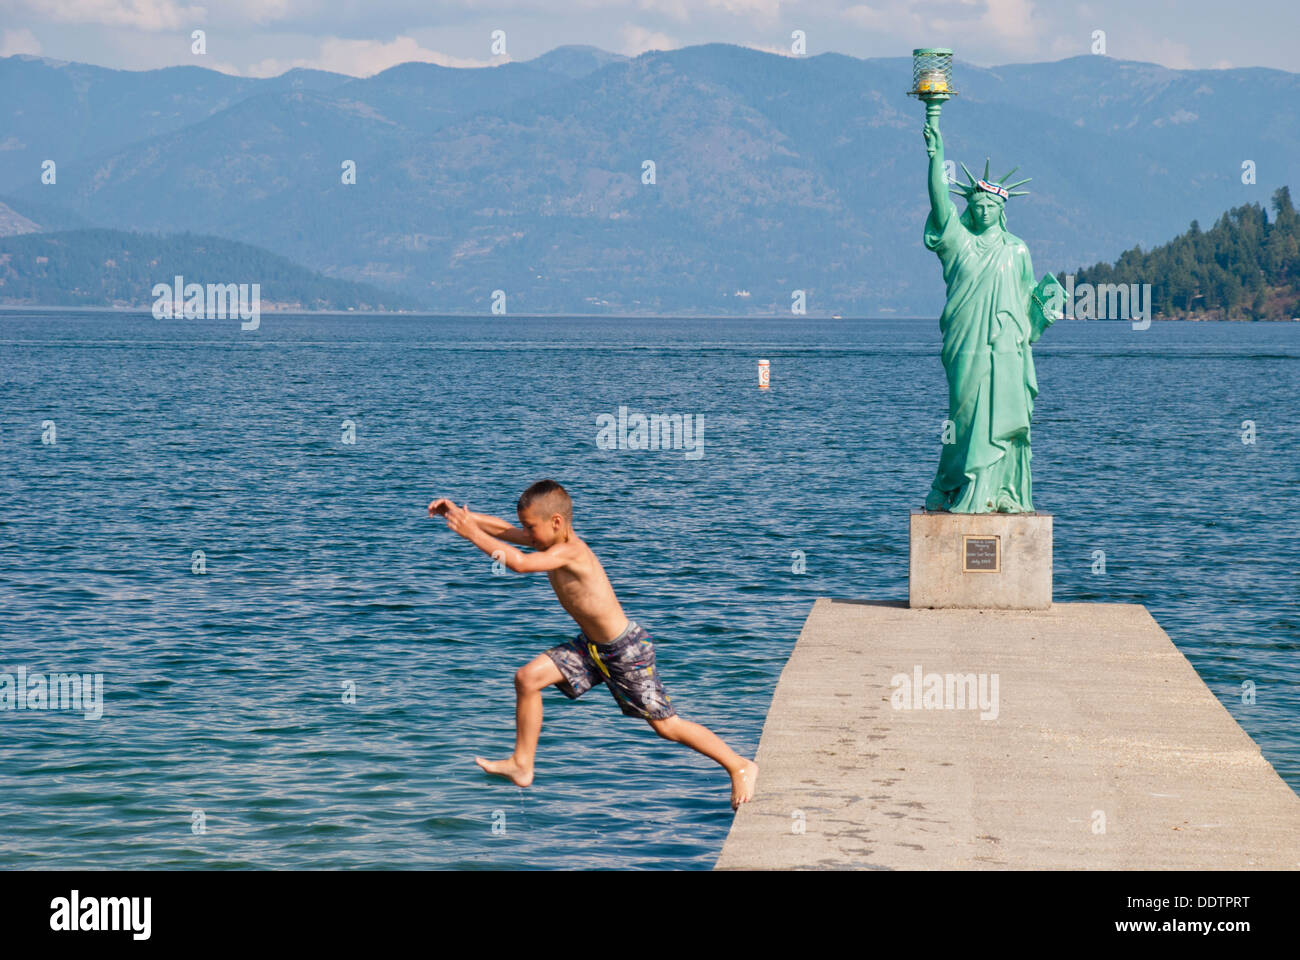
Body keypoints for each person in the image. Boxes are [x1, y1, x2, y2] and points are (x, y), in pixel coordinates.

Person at [428, 479, 758, 810]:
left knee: (667, 727)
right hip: (591, 648)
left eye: (531, 528)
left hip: (625, 650)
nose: (526, 535)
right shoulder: (549, 542)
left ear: (556, 522)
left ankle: (738, 765)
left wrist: (471, 533)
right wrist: (462, 515)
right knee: (527, 678)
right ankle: (522, 764)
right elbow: (505, 532)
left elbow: (519, 563)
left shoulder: (570, 551)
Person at [921, 114, 1049, 513]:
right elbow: (940, 205)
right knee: (964, 415)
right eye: (976, 205)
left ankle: (1002, 490)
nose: (982, 211)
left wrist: (1048, 308)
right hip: (965, 344)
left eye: (989, 204)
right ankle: (956, 485)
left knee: (1004, 415)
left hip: (1006, 351)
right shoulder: (958, 243)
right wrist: (935, 154)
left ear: (1001, 208)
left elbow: (1029, 307)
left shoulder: (1017, 250)